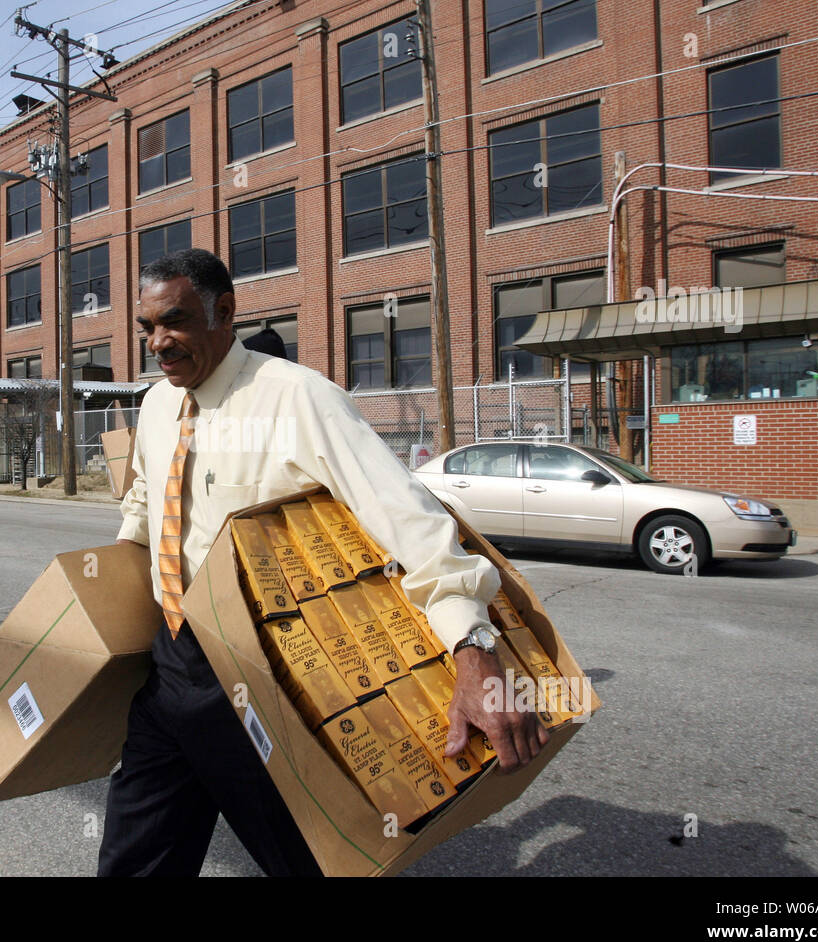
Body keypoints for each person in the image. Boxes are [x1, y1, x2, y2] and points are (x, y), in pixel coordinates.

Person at [100, 248, 548, 877]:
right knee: (133, 860)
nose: (158, 343)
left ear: (224, 311)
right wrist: (110, 590)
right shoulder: (155, 407)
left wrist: (477, 654)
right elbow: (147, 495)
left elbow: (409, 522)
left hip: (265, 680)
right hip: (173, 665)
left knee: (310, 863)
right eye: (147, 329)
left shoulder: (300, 399)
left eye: (173, 322)